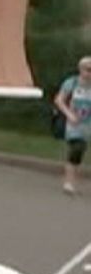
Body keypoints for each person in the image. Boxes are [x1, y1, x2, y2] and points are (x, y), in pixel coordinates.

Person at [54, 56, 91, 195]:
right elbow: (59, 100)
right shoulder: (72, 83)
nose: (90, 73)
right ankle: (69, 182)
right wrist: (69, 114)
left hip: (88, 124)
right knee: (77, 148)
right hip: (74, 124)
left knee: (80, 152)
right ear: (80, 69)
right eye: (88, 70)